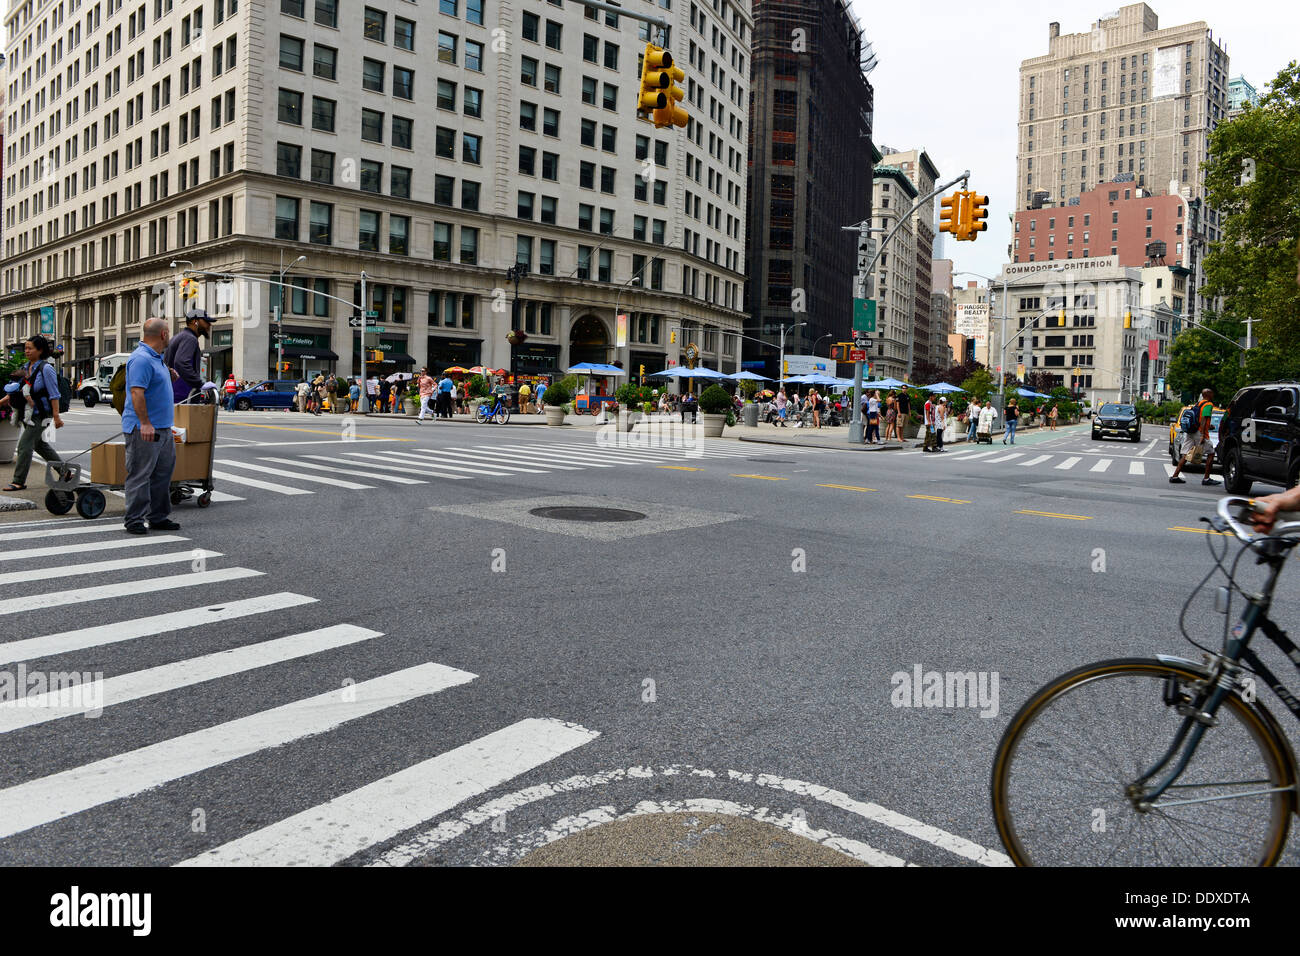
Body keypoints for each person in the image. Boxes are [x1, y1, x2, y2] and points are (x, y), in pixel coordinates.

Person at [121, 318, 179, 534]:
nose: (170, 337)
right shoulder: (142, 359)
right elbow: (137, 393)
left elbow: (151, 388)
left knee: (162, 474)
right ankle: (134, 519)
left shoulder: (157, 359)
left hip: (163, 427)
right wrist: (145, 423)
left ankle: (158, 516)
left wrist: (168, 377)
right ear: (163, 334)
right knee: (140, 473)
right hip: (144, 428)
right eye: (169, 333)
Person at [0, 335, 66, 491]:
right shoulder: (26, 367)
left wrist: (56, 416)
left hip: (41, 414)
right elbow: (15, 391)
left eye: (30, 348)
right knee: (39, 445)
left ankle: (18, 481)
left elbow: (54, 394)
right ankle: (66, 472)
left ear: (40, 350)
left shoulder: (46, 368)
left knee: (24, 445)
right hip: (28, 413)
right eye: (26, 348)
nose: (27, 351)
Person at [1170, 387, 1219, 487]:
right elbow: (1204, 419)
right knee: (1211, 453)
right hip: (1200, 432)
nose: (1213, 395)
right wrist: (1202, 435)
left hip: (1191, 431)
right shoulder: (1209, 405)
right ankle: (1206, 478)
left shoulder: (1199, 403)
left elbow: (1198, 418)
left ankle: (1175, 476)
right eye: (1212, 394)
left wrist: (1209, 426)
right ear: (1208, 395)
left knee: (1185, 454)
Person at [165, 308, 211, 403]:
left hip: (174, 395)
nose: (209, 325)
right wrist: (199, 383)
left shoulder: (179, 337)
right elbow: (181, 362)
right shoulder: (190, 338)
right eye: (206, 321)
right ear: (195, 322)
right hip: (183, 397)